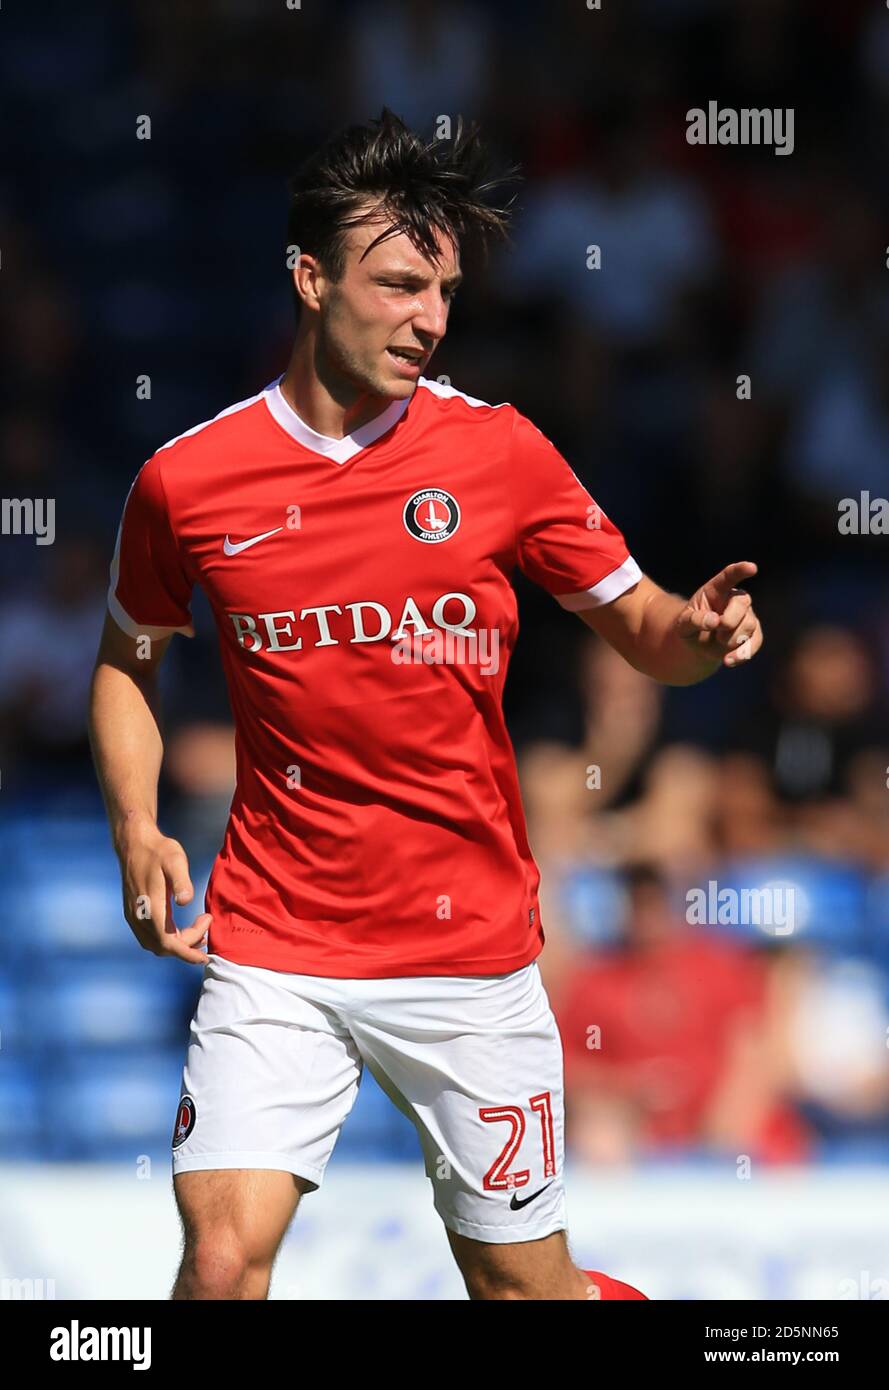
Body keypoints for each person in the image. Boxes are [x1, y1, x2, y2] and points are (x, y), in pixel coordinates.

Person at [87, 108, 763, 1302]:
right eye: (399, 284)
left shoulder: (498, 456)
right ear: (308, 278)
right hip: (275, 945)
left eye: (443, 291)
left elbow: (647, 627)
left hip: (468, 952)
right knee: (219, 1262)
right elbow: (127, 659)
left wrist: (698, 639)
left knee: (520, 1289)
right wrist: (138, 827)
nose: (430, 319)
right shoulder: (188, 480)